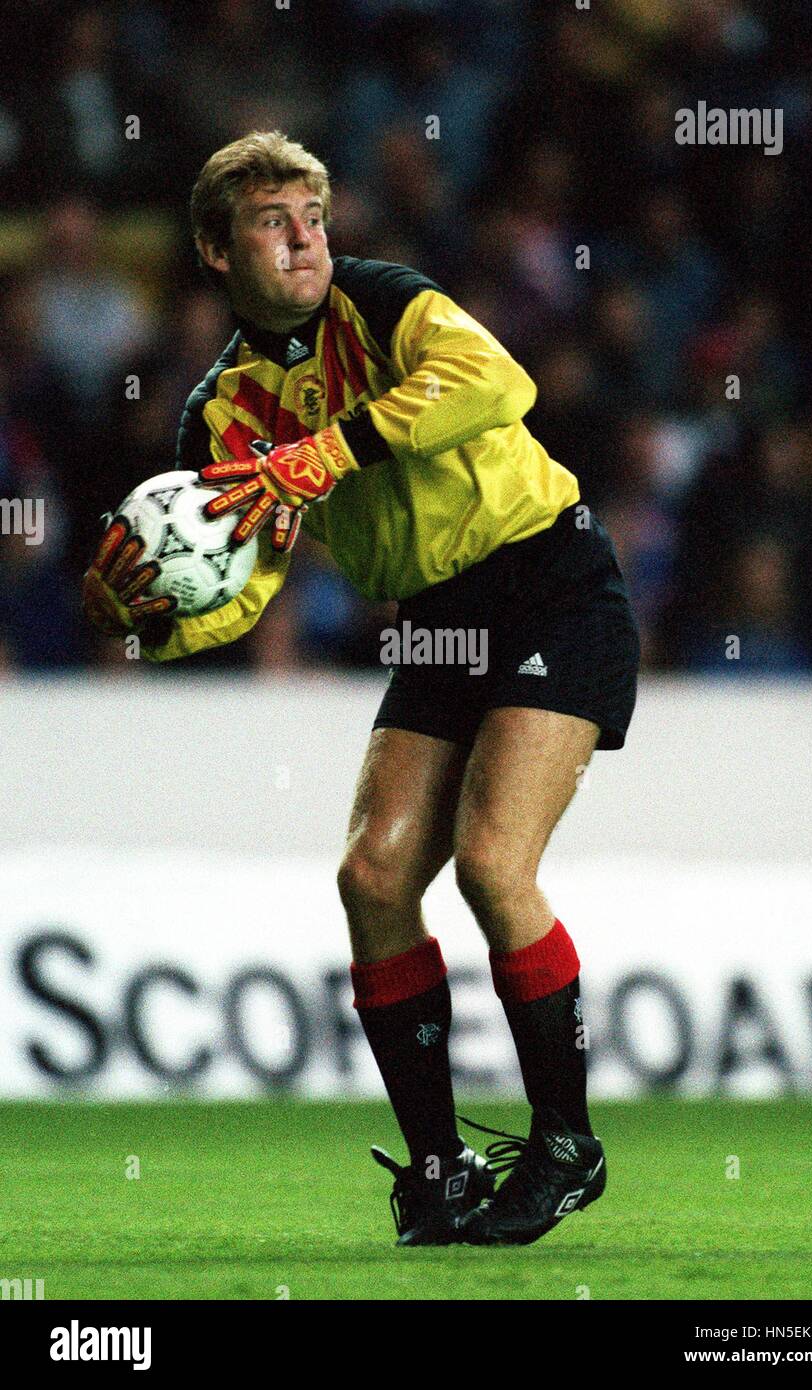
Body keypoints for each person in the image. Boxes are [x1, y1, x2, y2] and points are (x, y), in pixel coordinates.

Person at [83, 131, 641, 1247]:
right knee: (373, 872)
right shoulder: (220, 414)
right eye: (272, 221)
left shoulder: (384, 302)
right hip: (434, 622)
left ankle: (566, 1143)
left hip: (549, 582)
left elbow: (496, 381)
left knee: (491, 862)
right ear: (210, 249)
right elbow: (241, 591)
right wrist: (147, 617)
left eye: (312, 217)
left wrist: (324, 454)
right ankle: (435, 1170)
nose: (303, 239)